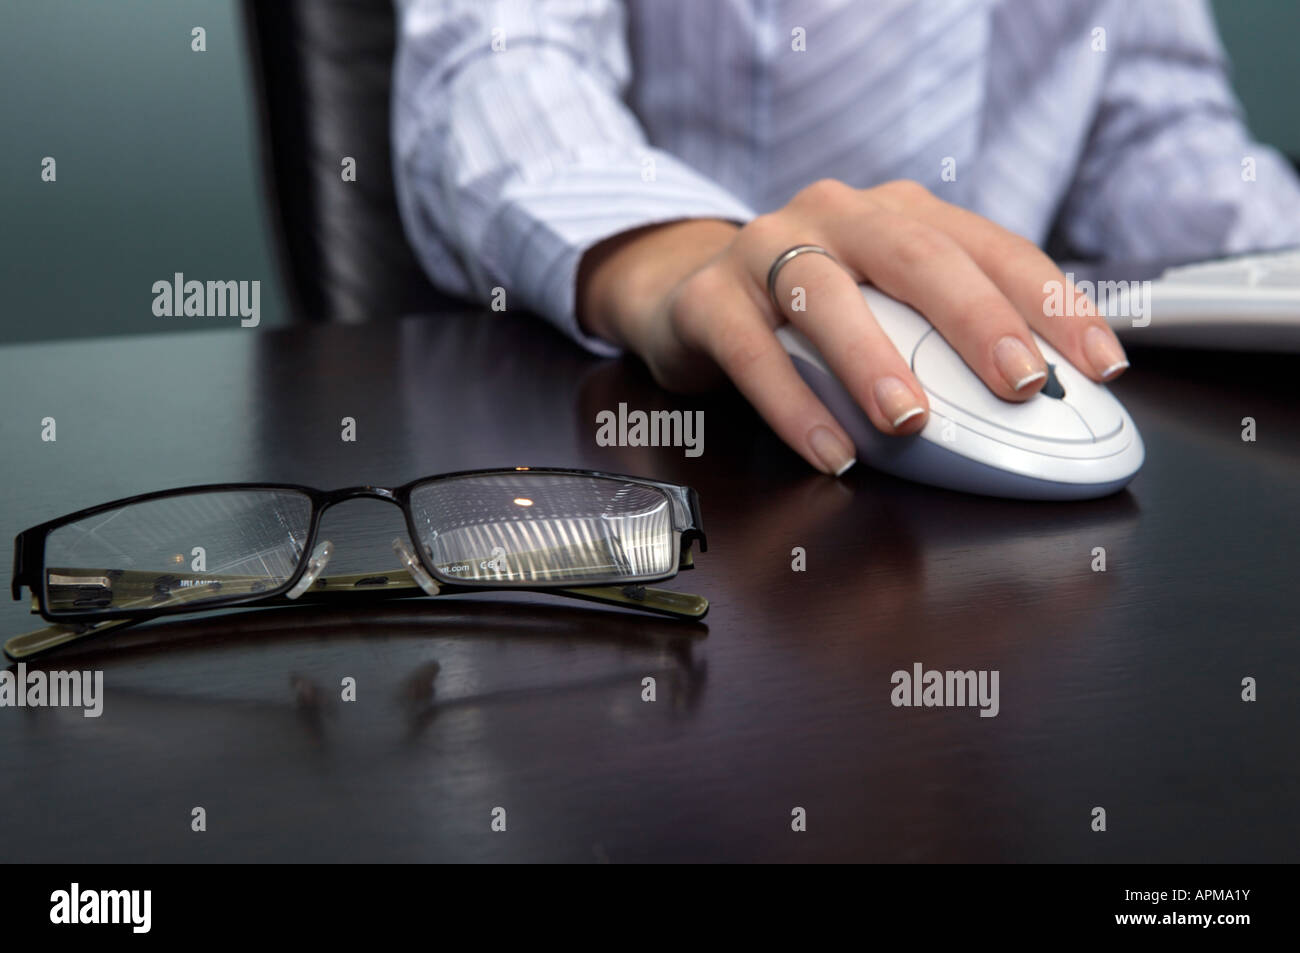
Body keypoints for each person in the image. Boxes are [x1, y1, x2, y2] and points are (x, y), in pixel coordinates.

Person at [392, 0, 1300, 476]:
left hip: (1019, 356)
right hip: (696, 434)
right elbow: (501, 61)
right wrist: (678, 251)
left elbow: (1152, 127)